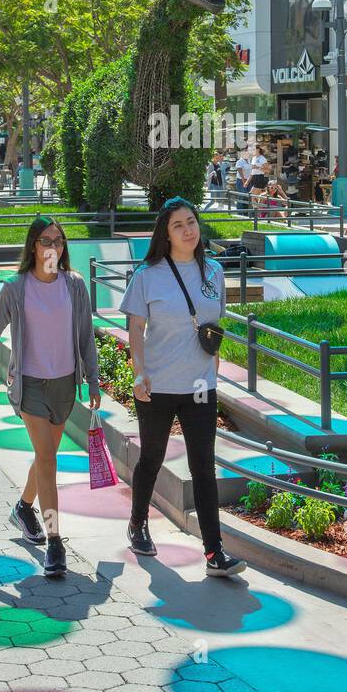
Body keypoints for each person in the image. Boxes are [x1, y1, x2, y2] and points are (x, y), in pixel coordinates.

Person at [0, 217, 100, 579]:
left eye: (58, 241)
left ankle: (24, 507)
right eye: (44, 241)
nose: (52, 247)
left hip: (65, 386)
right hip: (30, 387)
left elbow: (86, 335)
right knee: (47, 460)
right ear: (33, 247)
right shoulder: (16, 288)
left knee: (46, 457)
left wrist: (94, 380)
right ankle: (55, 541)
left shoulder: (75, 285)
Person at [119, 197, 246, 578]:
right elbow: (136, 330)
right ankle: (138, 522)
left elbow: (213, 326)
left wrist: (214, 369)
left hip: (199, 386)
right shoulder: (148, 274)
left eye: (191, 222)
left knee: (203, 466)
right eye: (178, 225)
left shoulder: (215, 273)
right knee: (152, 457)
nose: (188, 230)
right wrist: (139, 373)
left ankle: (214, 551)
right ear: (166, 232)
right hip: (157, 385)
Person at [234, 149, 252, 214]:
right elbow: (239, 169)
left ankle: (246, 212)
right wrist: (243, 179)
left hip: (249, 180)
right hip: (241, 180)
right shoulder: (240, 161)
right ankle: (239, 212)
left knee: (248, 196)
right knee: (241, 195)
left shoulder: (250, 161)